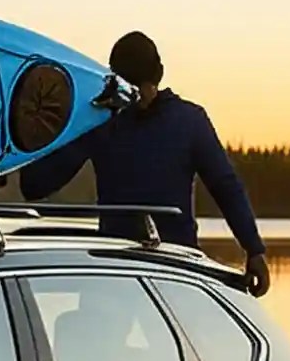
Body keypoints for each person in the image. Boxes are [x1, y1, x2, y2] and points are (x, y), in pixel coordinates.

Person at [18, 31, 270, 293]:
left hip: (177, 266)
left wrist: (253, 249)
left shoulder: (189, 121)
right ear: (117, 81)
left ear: (158, 77)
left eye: (144, 85)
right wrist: (46, 127)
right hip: (117, 265)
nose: (139, 95)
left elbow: (225, 186)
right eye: (131, 85)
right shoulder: (102, 121)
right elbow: (36, 186)